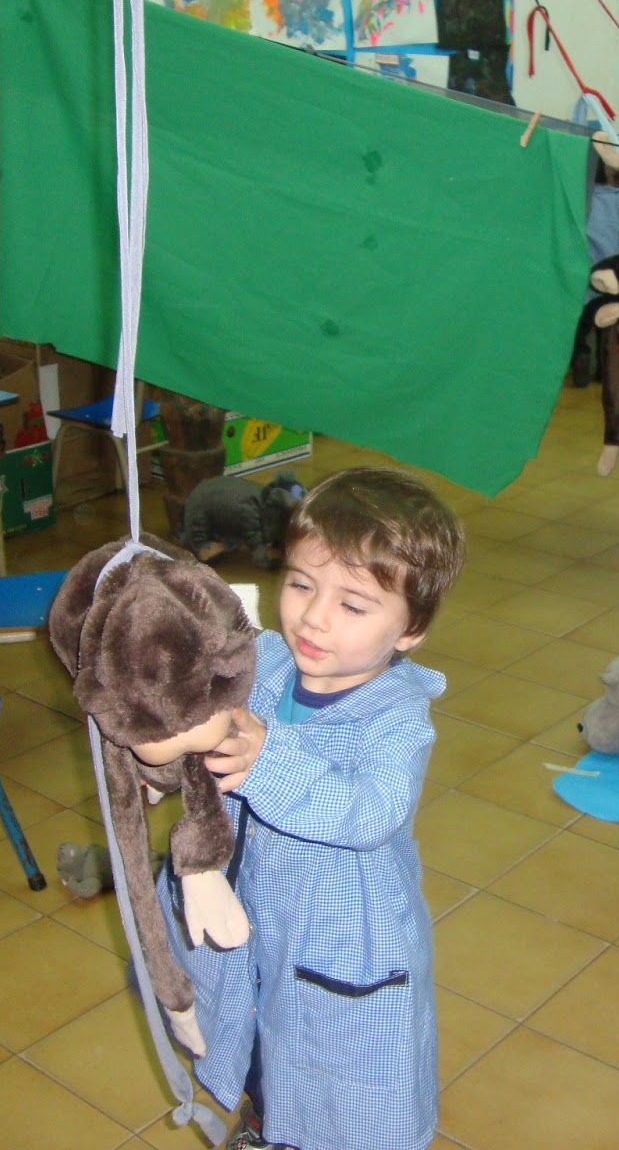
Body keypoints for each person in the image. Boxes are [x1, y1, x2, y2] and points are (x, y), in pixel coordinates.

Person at [162, 466, 466, 1150]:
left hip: (340, 938)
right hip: (250, 915)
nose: (313, 617)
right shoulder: (263, 662)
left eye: (353, 605)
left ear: (410, 629)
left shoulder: (398, 719)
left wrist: (268, 760)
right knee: (258, 1046)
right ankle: (266, 1126)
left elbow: (368, 811)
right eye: (301, 583)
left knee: (335, 1074)